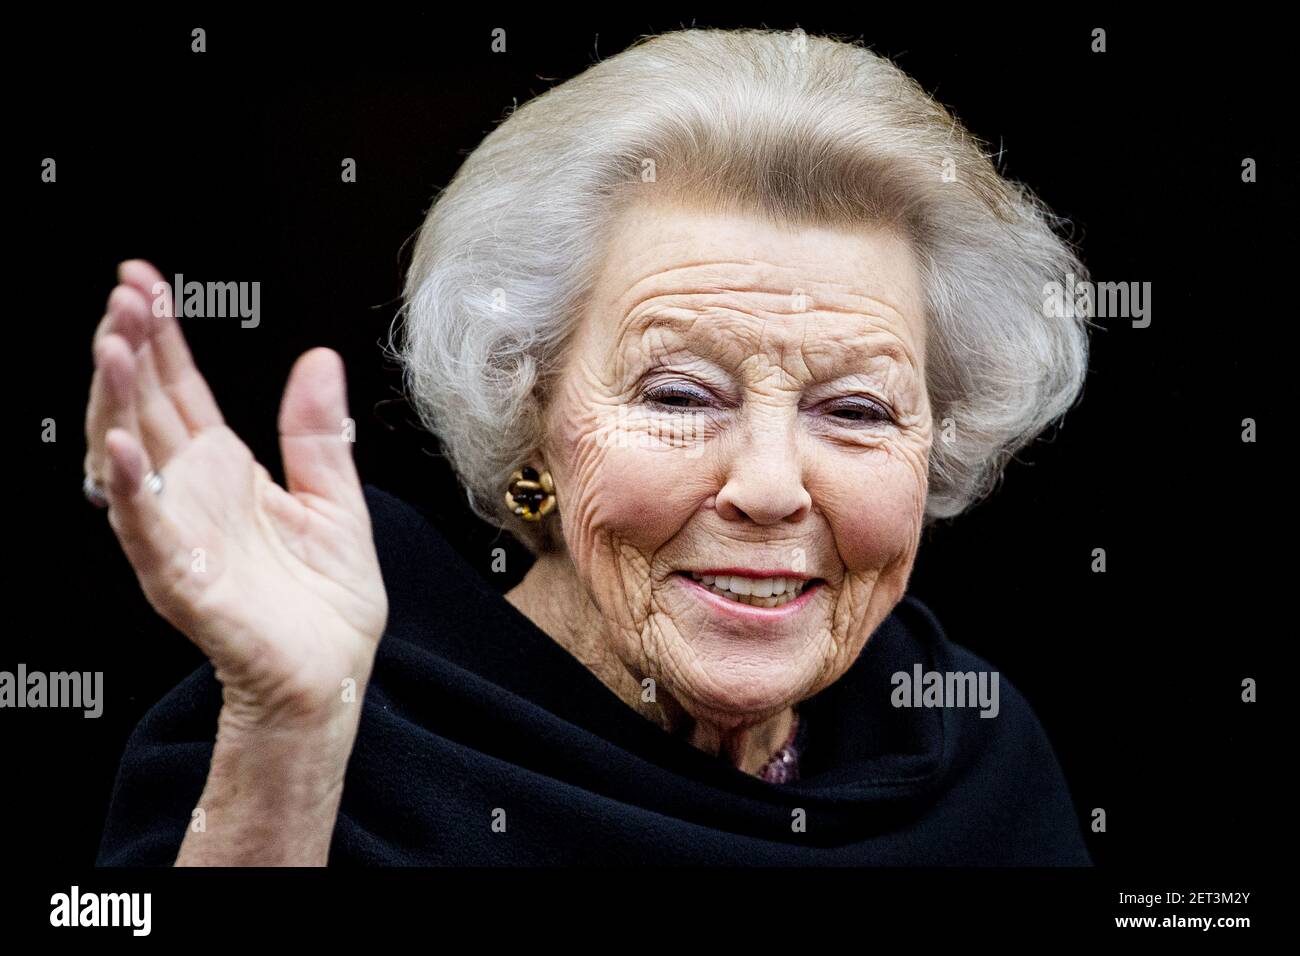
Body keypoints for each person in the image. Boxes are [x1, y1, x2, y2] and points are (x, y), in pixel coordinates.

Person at [91, 28, 1092, 865]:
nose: (770, 485)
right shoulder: (319, 718)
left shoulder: (974, 758)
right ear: (530, 417)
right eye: (679, 394)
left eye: (858, 410)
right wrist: (289, 742)